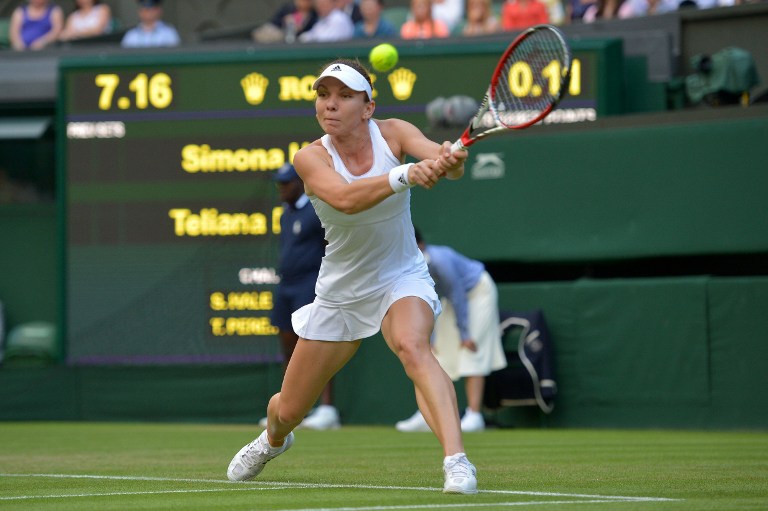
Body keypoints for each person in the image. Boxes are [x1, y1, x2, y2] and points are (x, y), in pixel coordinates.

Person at [226, 58, 477, 495]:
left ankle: (457, 462)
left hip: (400, 274)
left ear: (368, 107)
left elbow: (443, 164)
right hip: (341, 292)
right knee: (288, 409)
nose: (331, 104)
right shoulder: (309, 157)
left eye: (344, 96)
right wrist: (404, 175)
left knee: (414, 348)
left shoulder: (395, 133)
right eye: (323, 95)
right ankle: (272, 441)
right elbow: (344, 198)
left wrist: (451, 159)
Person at [395, 229, 507, 433]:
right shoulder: (412, 267)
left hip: (478, 292)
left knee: (470, 348)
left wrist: (464, 334)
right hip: (452, 300)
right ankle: (428, 414)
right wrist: (432, 338)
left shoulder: (440, 260)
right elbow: (431, 301)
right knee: (436, 353)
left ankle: (474, 415)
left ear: (420, 245)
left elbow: (457, 295)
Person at [263, 162, 340, 430]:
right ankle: (287, 408)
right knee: (288, 348)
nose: (281, 189)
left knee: (316, 345)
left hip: (310, 283)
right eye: (279, 184)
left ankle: (327, 409)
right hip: (286, 285)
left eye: (286, 183)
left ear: (299, 183)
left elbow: (330, 246)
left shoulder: (315, 211)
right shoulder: (284, 214)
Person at [253, 0, 317, 44]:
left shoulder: (314, 14)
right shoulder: (288, 8)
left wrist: (301, 27)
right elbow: (273, 23)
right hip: (279, 38)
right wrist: (285, 21)